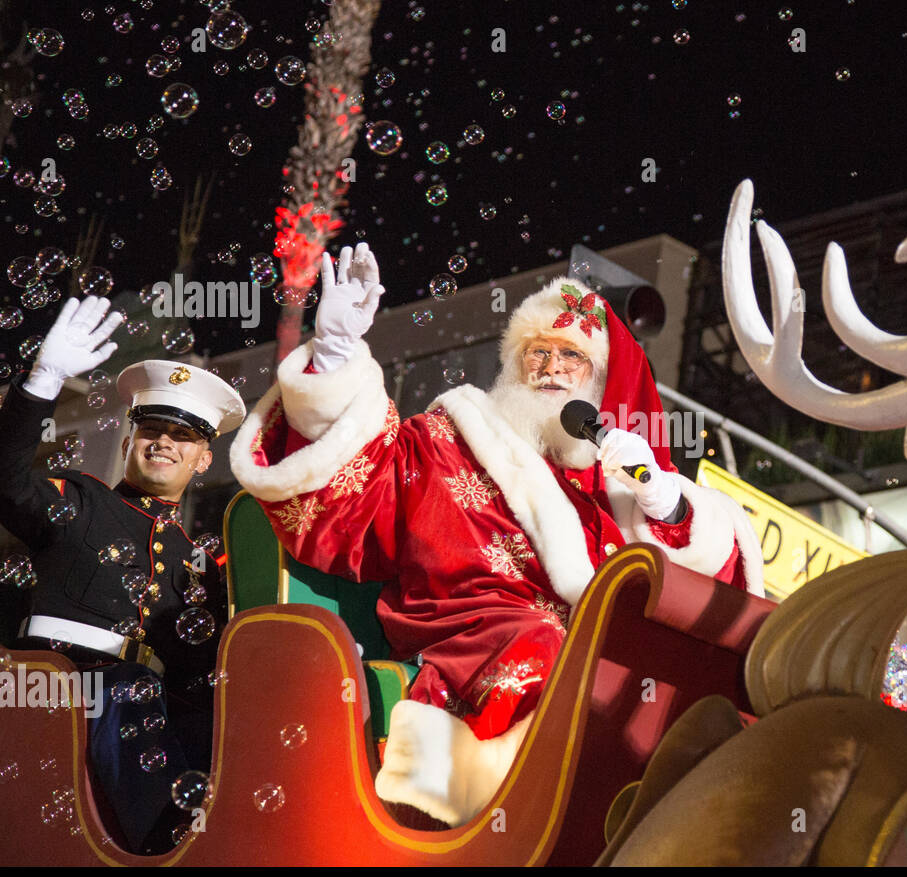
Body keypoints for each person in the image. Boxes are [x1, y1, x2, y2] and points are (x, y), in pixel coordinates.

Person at [230, 243, 762, 825]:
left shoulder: (614, 480)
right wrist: (333, 360)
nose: (551, 368)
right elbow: (357, 490)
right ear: (513, 364)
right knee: (548, 648)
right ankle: (495, 808)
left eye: (571, 357)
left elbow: (706, 598)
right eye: (537, 352)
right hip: (484, 640)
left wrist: (666, 503)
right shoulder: (449, 438)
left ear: (598, 381)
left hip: (591, 646)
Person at [0, 295, 245, 854]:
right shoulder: (80, 500)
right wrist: (43, 380)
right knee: (127, 688)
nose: (162, 441)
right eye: (151, 428)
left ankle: (227, 844)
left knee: (218, 727)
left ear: (204, 459)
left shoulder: (200, 561)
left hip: (138, 702)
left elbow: (201, 675)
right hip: (50, 682)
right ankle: (171, 846)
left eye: (182, 436)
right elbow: (6, 478)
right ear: (132, 439)